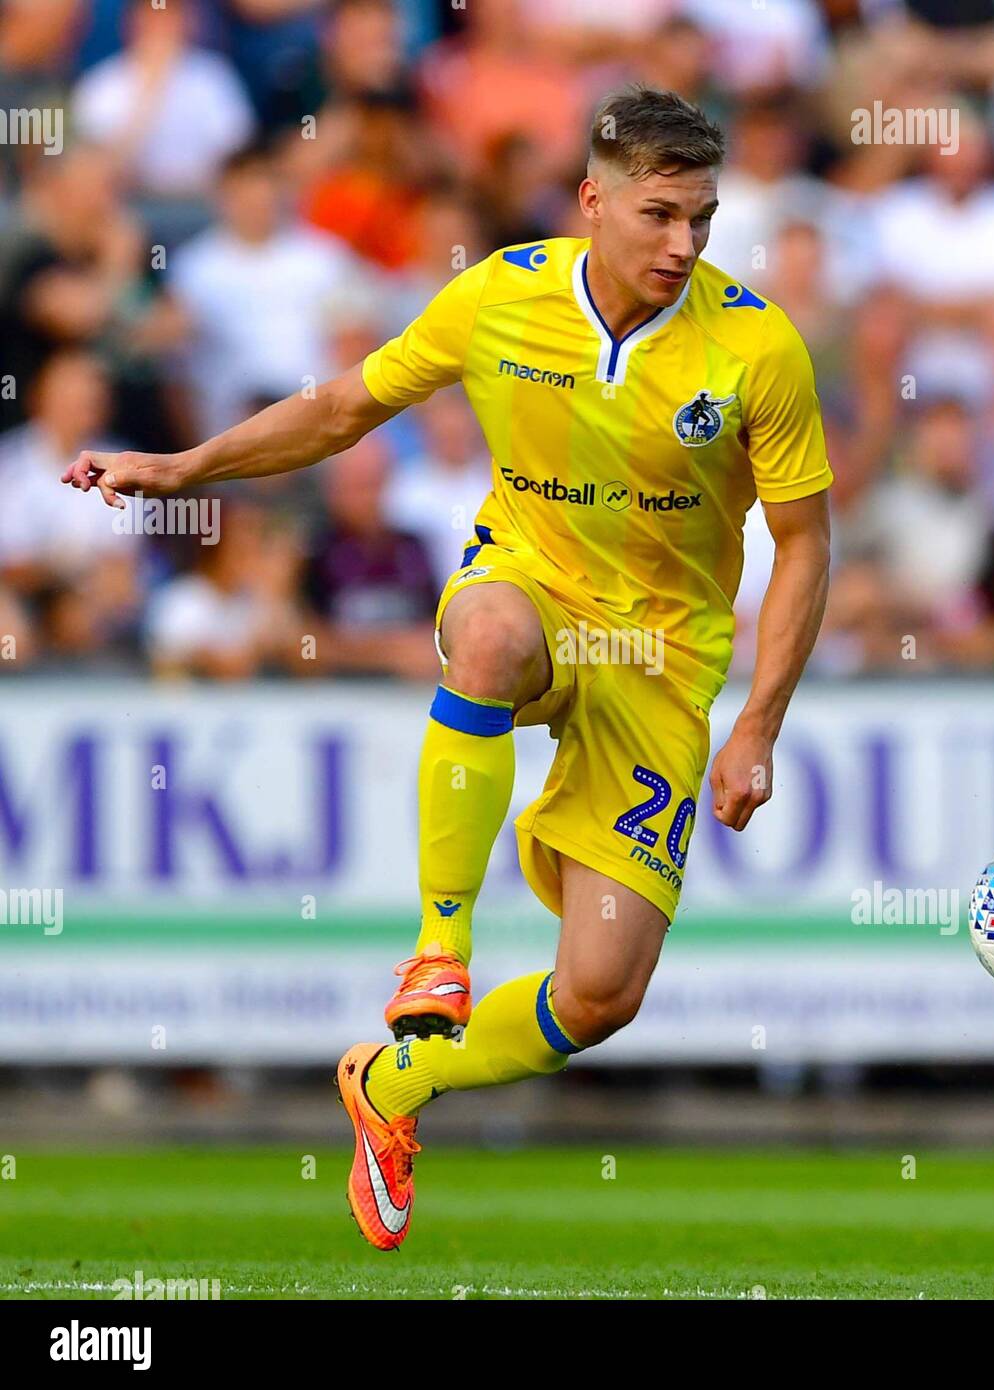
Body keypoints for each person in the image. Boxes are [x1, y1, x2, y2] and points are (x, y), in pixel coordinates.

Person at [61, 85, 833, 1252]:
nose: (683, 244)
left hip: (665, 660)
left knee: (601, 992)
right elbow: (337, 409)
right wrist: (183, 469)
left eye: (703, 219)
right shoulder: (499, 297)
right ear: (594, 202)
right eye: (661, 215)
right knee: (485, 636)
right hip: (528, 586)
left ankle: (394, 1086)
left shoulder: (755, 347)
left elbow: (807, 543)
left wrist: (758, 723)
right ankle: (439, 950)